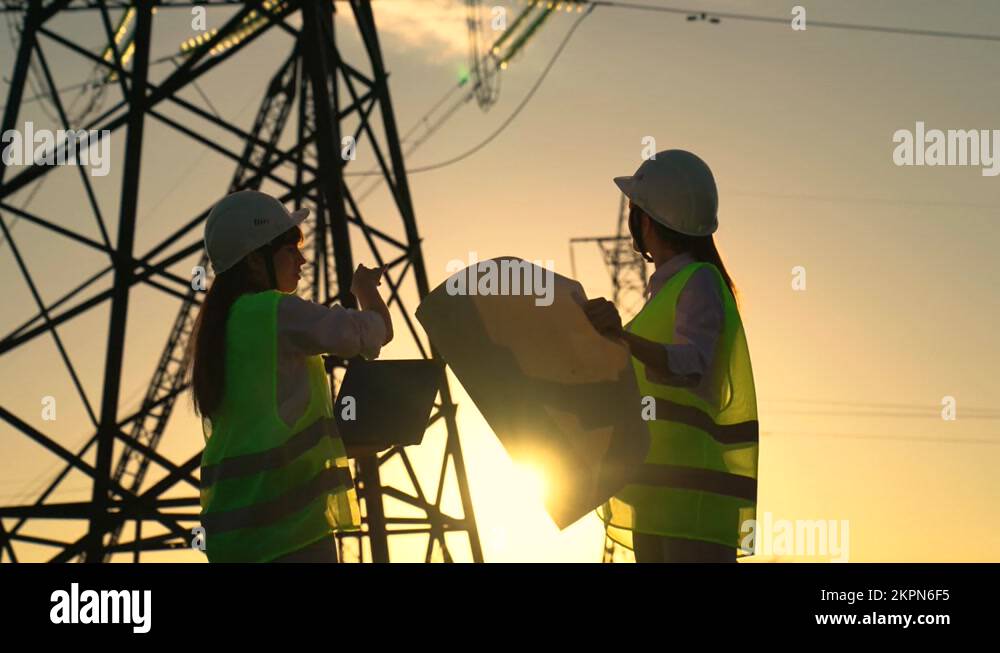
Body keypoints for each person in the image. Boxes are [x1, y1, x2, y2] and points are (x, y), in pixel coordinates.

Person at [189, 190, 392, 562]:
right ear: (254, 260)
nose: (301, 258)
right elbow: (373, 332)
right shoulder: (273, 312)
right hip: (290, 536)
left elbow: (267, 434)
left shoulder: (220, 329)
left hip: (233, 540)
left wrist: (345, 443)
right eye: (289, 248)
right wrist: (364, 290)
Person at [584, 150, 759, 563]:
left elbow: (691, 364)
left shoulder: (699, 280)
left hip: (692, 499)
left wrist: (622, 340)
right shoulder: (667, 292)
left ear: (645, 220)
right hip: (659, 494)